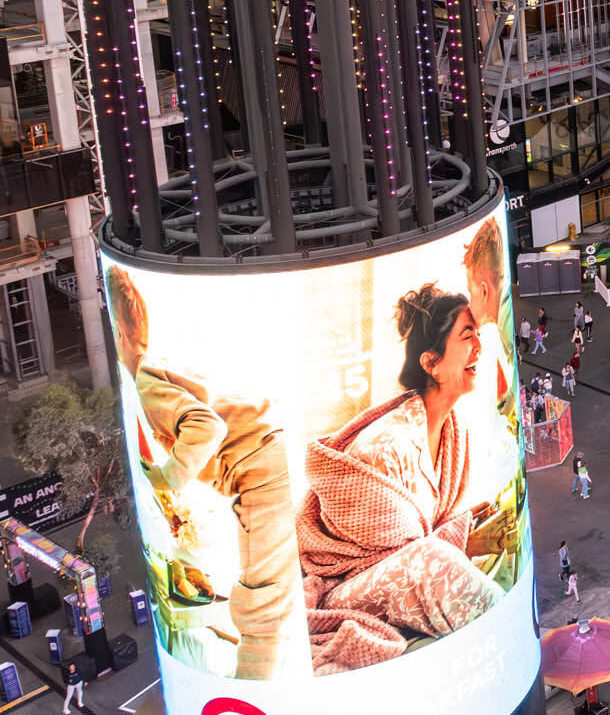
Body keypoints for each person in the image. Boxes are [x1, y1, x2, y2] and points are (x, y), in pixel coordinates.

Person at [295, 283, 516, 673]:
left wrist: (469, 530)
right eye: (467, 337)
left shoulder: (454, 430)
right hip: (338, 589)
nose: (479, 348)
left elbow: (427, 530)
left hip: (384, 570)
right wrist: (464, 539)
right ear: (431, 363)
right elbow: (409, 556)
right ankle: (512, 651)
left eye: (477, 335)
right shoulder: (385, 447)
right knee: (432, 562)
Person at [105, 265, 298, 680]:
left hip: (260, 473)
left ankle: (254, 698)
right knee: (273, 597)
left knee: (262, 607)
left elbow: (208, 426)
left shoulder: (146, 380)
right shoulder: (162, 365)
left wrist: (164, 480)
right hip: (270, 459)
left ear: (120, 332)